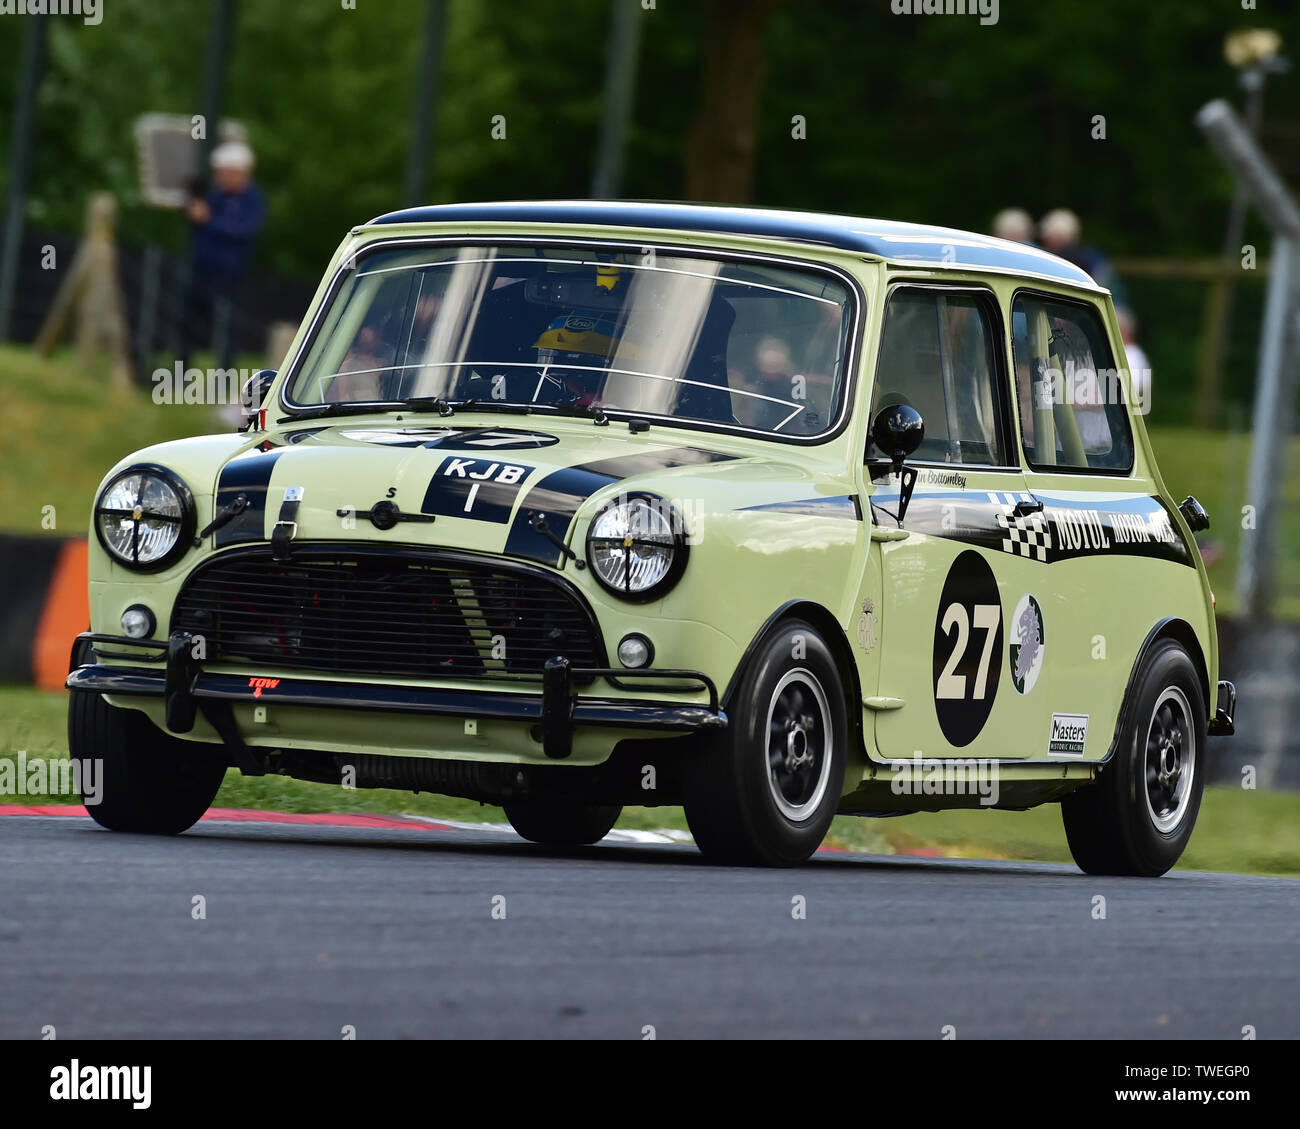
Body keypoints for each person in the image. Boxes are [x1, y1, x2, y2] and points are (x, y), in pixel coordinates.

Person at [181, 141, 267, 375]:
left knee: (226, 326)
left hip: (229, 274)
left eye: (225, 173)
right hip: (203, 269)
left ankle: (224, 375)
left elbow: (243, 230)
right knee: (188, 321)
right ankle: (182, 373)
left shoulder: (252, 199)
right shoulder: (216, 196)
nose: (220, 178)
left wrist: (207, 220)